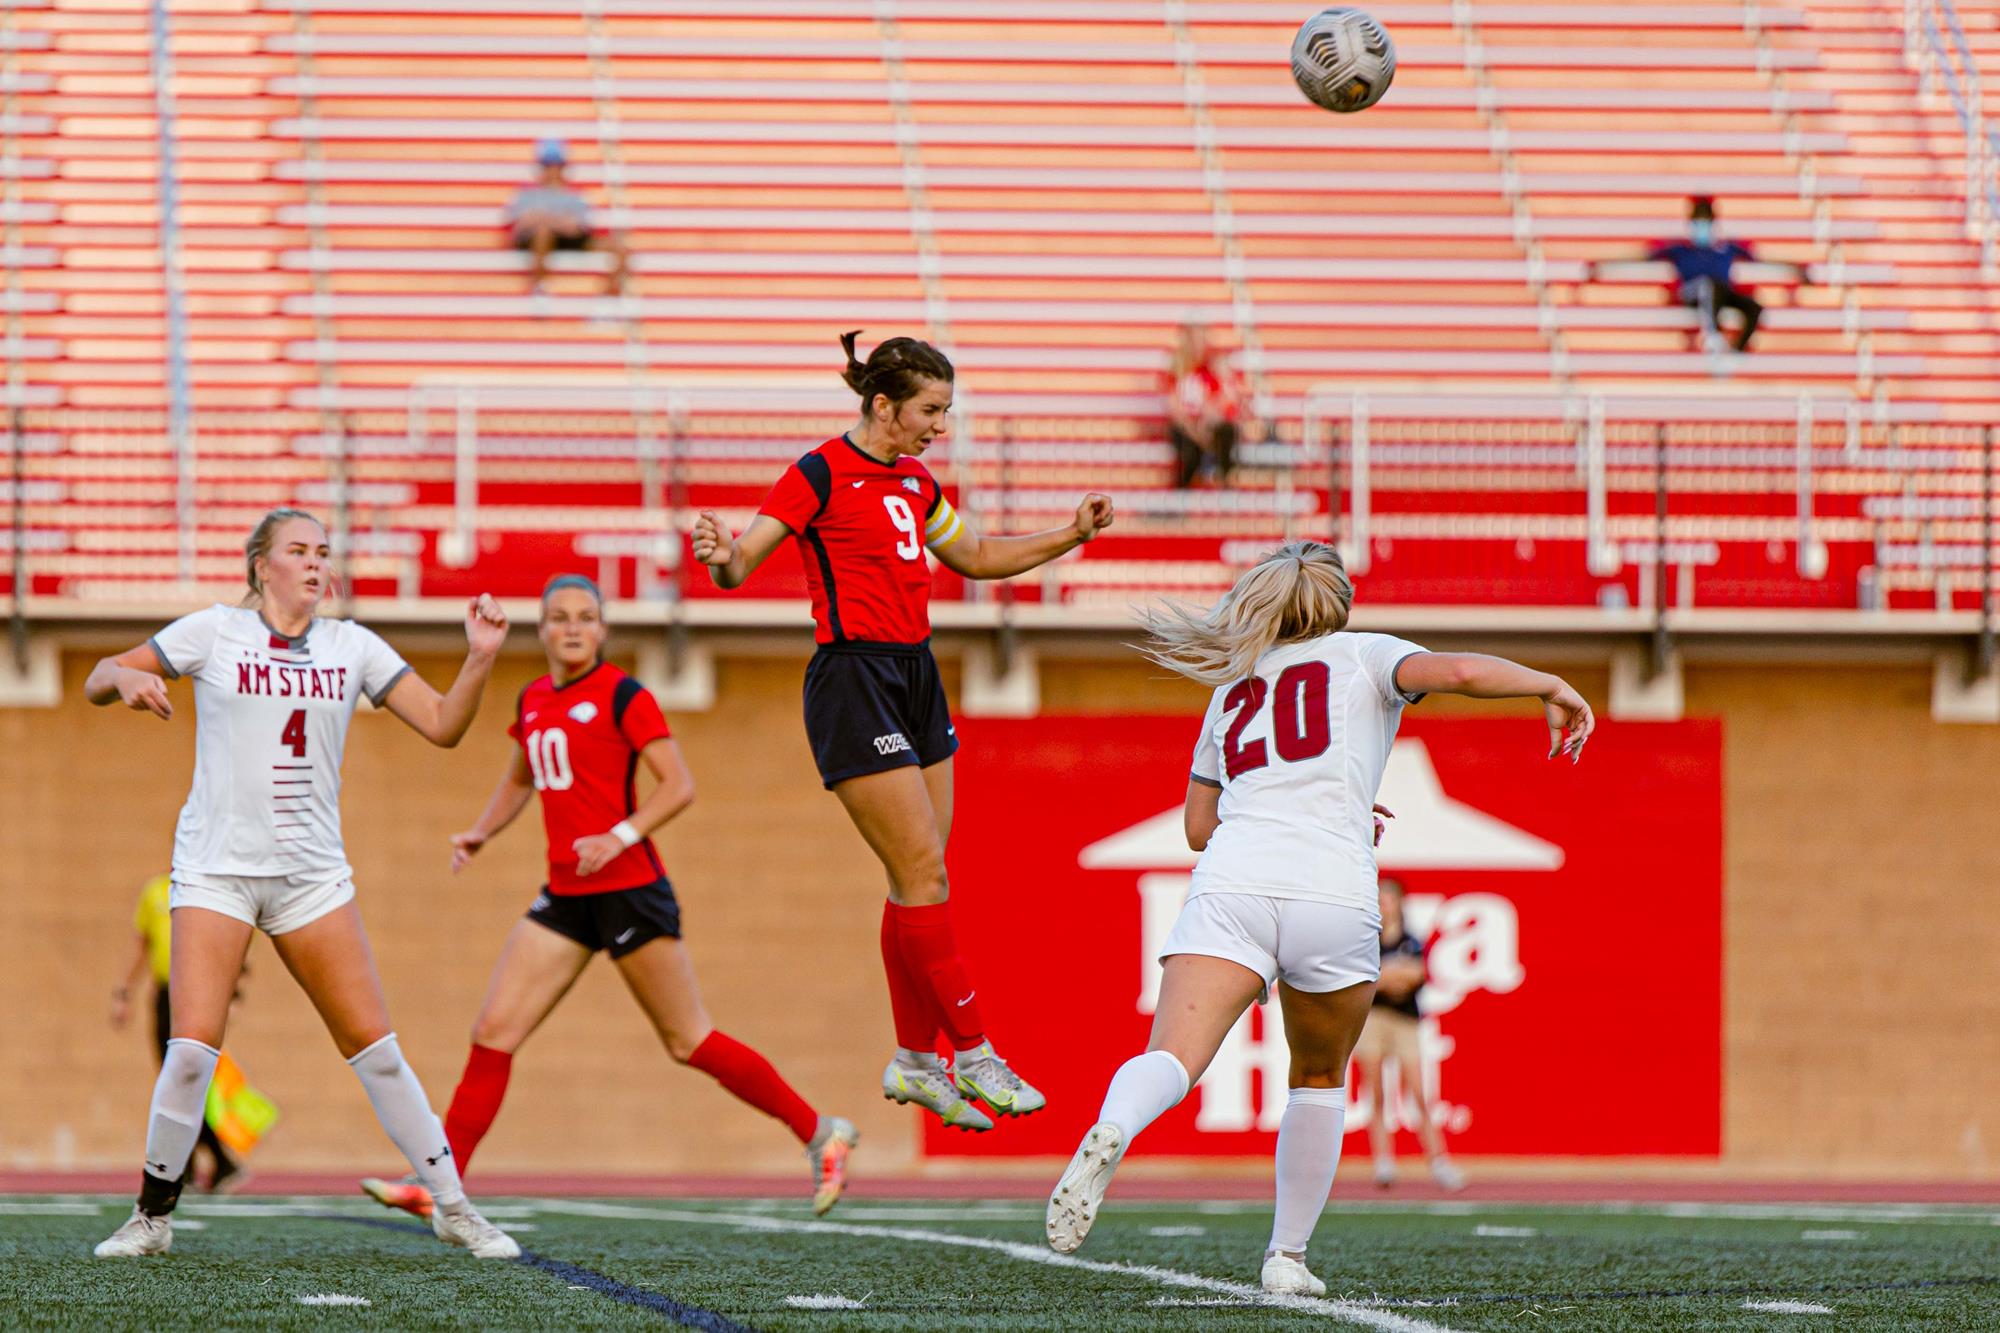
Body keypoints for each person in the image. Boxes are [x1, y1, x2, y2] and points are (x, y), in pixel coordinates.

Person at [1044, 540, 1591, 1295]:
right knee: (1318, 1078)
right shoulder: (1367, 654)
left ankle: (1115, 1123)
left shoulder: (1231, 685)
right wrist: (1551, 683)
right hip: (1332, 887)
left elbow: (1199, 826)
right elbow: (1461, 671)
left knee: (1170, 1058)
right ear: (1339, 605)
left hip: (1235, 877)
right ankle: (1286, 1258)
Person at [692, 330, 1115, 1132]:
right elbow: (741, 560)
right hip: (853, 680)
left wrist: (1072, 533)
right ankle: (975, 1049)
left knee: (919, 878)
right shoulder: (815, 471)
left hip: (916, 675)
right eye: (930, 410)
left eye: (946, 411)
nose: (939, 426)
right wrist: (717, 556)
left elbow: (980, 555)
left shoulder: (917, 482)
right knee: (924, 871)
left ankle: (917, 1063)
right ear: (883, 404)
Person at [84, 507, 519, 1260]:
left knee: (376, 1048)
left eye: (324, 551)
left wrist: (479, 656)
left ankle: (452, 1206)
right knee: (190, 1051)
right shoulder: (214, 630)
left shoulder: (354, 646)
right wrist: (124, 676)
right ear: (262, 567)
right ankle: (151, 1216)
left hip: (311, 878)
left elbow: (446, 724)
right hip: (216, 869)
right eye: (299, 550)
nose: (316, 563)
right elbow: (97, 676)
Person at [359, 575, 858, 1220]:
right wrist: (481, 832)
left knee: (688, 1040)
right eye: (560, 617)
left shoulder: (625, 695)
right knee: (493, 1032)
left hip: (631, 892)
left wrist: (618, 837)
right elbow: (521, 778)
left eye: (586, 617)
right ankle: (439, 1184)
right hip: (567, 897)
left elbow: (678, 785)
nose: (572, 628)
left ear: (602, 629)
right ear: (540, 628)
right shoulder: (534, 697)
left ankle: (822, 1134)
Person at [112, 874, 246, 1193]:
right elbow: (143, 947)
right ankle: (191, 1165)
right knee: (172, 1079)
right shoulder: (156, 893)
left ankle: (201, 1162)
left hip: (198, 990)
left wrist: (233, 993)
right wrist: (125, 992)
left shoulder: (208, 889)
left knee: (185, 1076)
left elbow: (229, 943)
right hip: (164, 993)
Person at [1353, 876, 1464, 1192]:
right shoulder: (1367, 941)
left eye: (1386, 899)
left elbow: (1413, 976)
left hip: (1405, 1022)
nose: (1382, 905)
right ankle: (1383, 1162)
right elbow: (1368, 981)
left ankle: (1438, 1161)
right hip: (1373, 1019)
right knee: (1376, 1094)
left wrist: (1388, 977)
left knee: (1418, 1093)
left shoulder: (1411, 940)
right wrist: (1391, 977)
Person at [1586, 196, 1808, 353]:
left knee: (1753, 306)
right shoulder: (1680, 248)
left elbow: (1762, 257)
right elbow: (1642, 255)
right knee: (1707, 286)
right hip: (1693, 292)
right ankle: (1711, 336)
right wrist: (1605, 263)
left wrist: (1796, 268)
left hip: (1722, 292)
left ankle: (1738, 349)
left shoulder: (1727, 246)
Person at [506, 139, 628, 296]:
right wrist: (559, 221)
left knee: (617, 246)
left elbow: (576, 227)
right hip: (538, 240)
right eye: (548, 166)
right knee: (543, 234)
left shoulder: (575, 195)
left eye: (556, 166)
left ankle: (611, 289)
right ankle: (540, 287)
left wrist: (544, 218)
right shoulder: (526, 194)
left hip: (570, 240)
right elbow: (522, 222)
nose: (553, 171)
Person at [1163, 322, 1245, 488]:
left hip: (1202, 426)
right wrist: (1195, 431)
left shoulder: (1207, 371)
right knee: (1189, 452)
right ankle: (1182, 493)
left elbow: (1215, 403)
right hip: (1185, 428)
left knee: (1226, 432)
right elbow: (1175, 409)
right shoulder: (1175, 371)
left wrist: (1205, 425)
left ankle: (1224, 479)